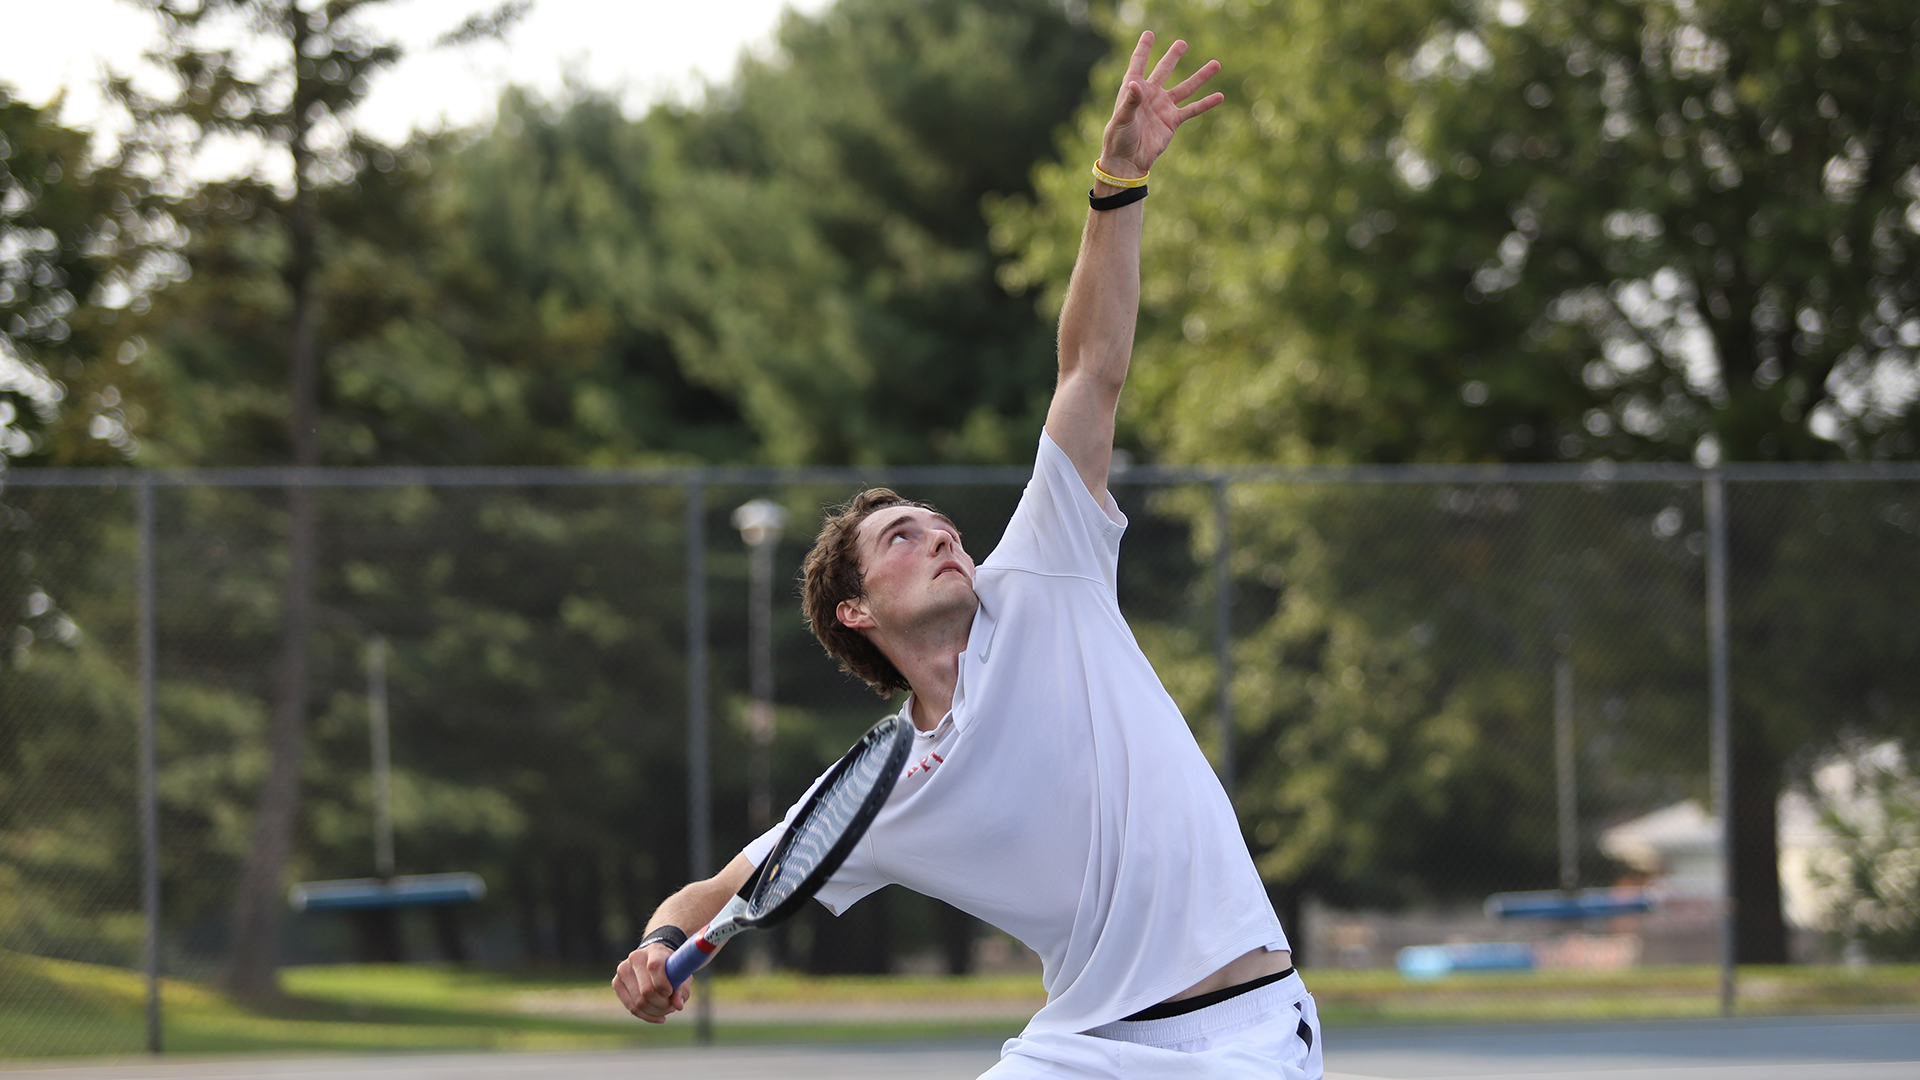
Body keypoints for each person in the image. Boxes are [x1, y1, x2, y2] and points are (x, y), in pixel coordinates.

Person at [612, 30, 1322, 1079]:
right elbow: (712, 894)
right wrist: (658, 947)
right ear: (856, 611)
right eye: (902, 538)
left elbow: (1090, 369)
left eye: (941, 524)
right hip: (1079, 1050)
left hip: (1245, 1035)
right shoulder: (880, 784)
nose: (943, 536)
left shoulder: (1047, 572)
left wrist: (1117, 183)